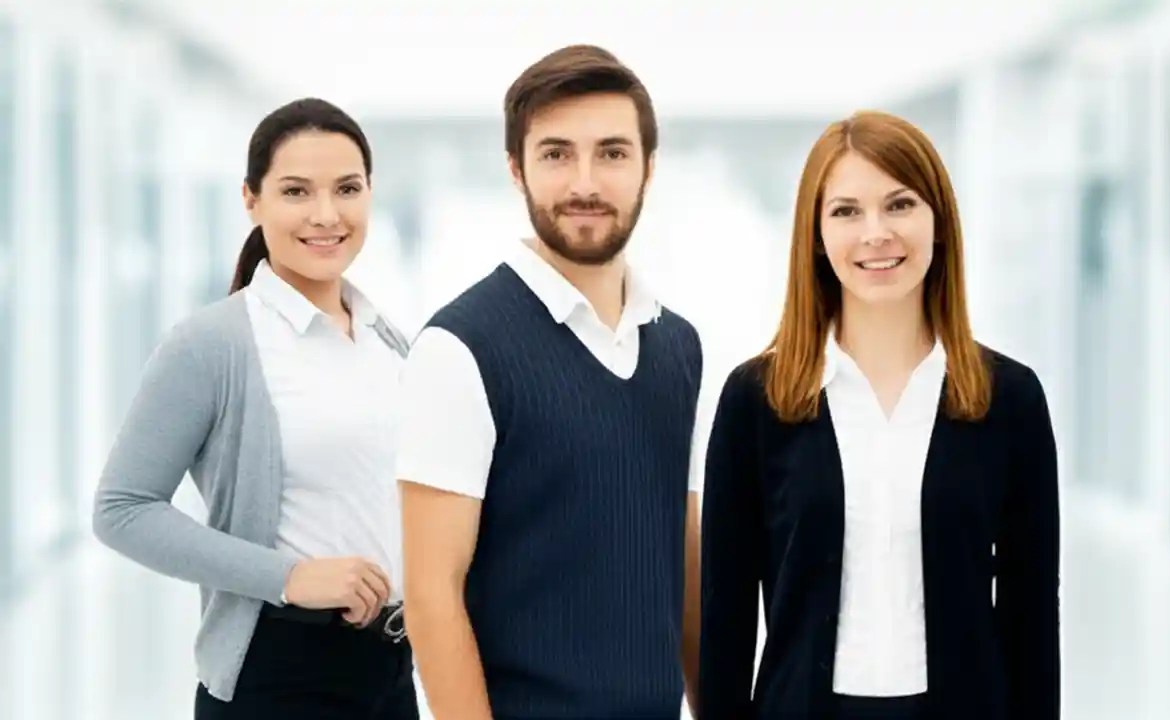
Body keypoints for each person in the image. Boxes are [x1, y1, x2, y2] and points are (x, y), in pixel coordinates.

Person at [697, 110, 1061, 720]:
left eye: (900, 204)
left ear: (938, 220)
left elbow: (1030, 612)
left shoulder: (1010, 399)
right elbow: (725, 617)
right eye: (846, 211)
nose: (876, 233)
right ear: (814, 235)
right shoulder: (755, 401)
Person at [395, 44, 710, 720]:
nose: (585, 182)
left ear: (649, 168)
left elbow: (682, 563)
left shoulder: (679, 346)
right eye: (557, 153)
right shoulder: (460, 348)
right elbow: (429, 597)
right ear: (517, 169)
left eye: (613, 153)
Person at [92, 97, 418, 720]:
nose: (326, 215)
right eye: (296, 191)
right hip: (280, 675)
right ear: (251, 199)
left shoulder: (387, 339)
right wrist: (289, 576)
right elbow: (121, 509)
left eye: (347, 188)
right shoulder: (214, 343)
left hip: (390, 671)